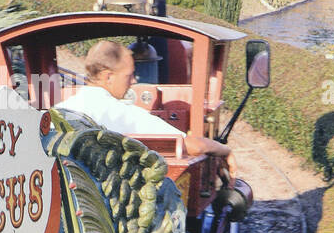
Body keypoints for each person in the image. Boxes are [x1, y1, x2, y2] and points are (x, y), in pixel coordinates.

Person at [54, 40, 238, 172]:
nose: (133, 81)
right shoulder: (123, 114)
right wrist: (224, 150)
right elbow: (193, 146)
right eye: (129, 75)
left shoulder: (60, 110)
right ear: (108, 76)